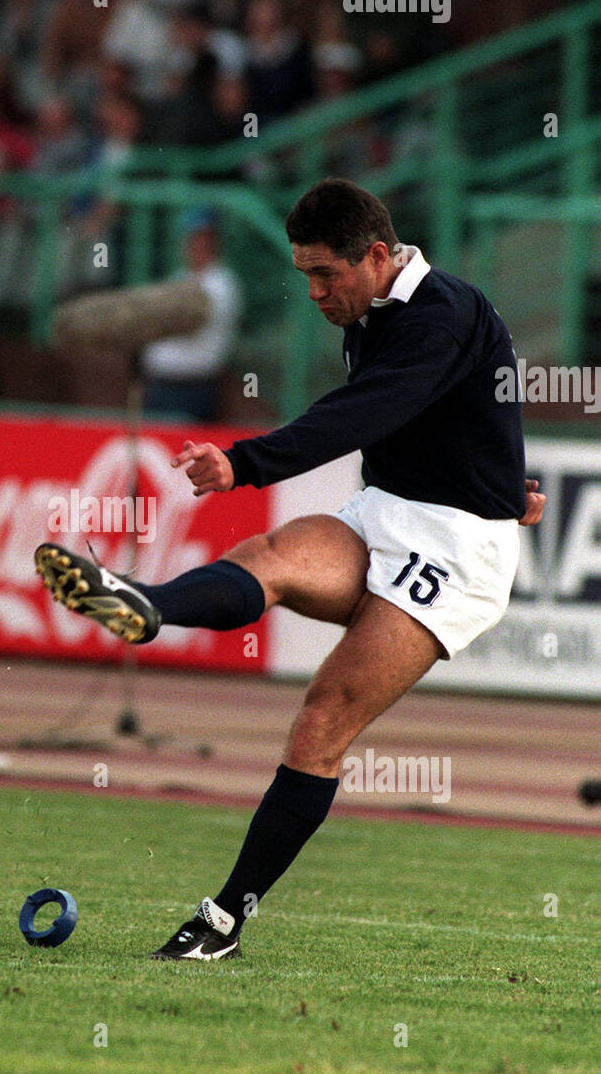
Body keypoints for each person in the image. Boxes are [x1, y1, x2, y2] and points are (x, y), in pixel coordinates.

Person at [35, 178, 546, 960]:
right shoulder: (373, 308)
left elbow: (361, 416)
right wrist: (510, 482)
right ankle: (143, 604)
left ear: (377, 256)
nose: (312, 292)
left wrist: (246, 463)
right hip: (387, 512)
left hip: (455, 548)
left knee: (323, 716)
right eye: (303, 274)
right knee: (268, 557)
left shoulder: (442, 313)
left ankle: (224, 920)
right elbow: (469, 414)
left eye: (324, 274)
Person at [141, 210, 242, 422]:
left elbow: (185, 320)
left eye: (204, 238)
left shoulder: (221, 283)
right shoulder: (179, 277)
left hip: (192, 387)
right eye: (193, 238)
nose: (198, 245)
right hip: (159, 383)